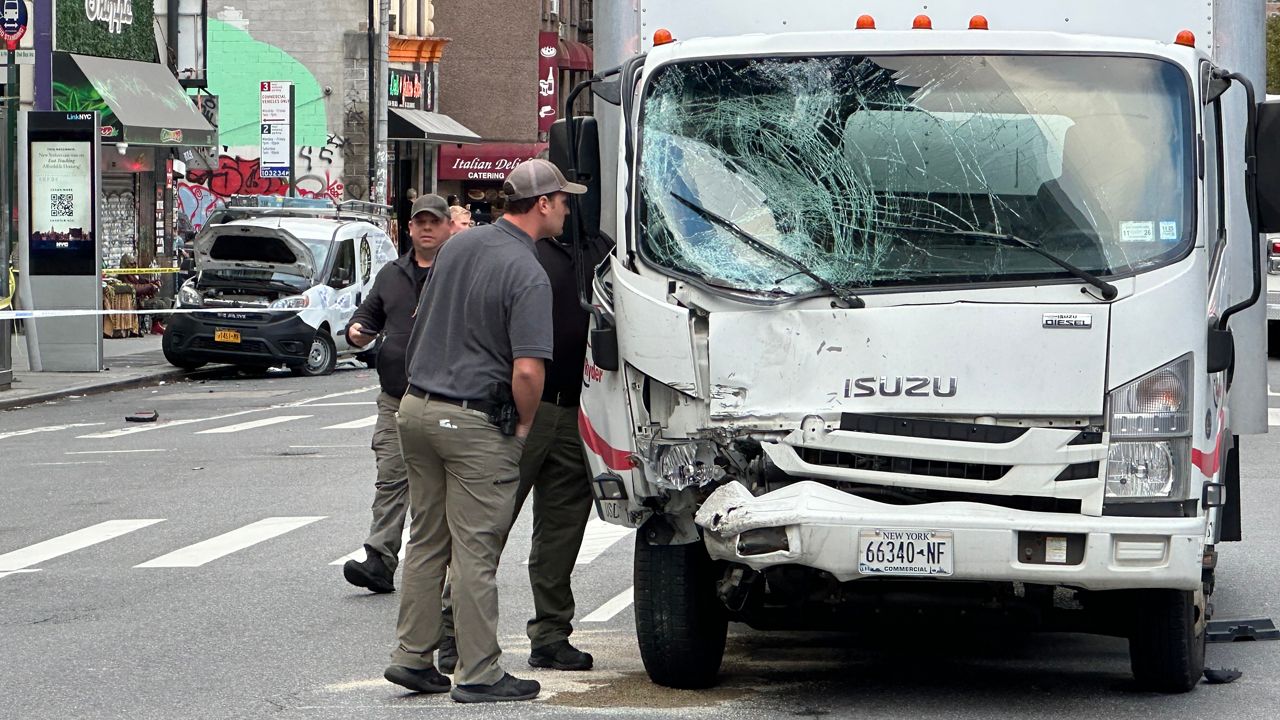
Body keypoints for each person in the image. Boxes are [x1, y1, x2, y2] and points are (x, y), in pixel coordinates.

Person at [384, 159, 585, 703]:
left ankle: (413, 657)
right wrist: (522, 425)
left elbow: (421, 323)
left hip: (418, 410)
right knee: (475, 548)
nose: (568, 207)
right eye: (563, 199)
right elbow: (527, 369)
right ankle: (478, 672)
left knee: (427, 541)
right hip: (472, 420)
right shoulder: (528, 271)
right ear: (542, 204)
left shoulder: (458, 246)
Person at [503, 200, 613, 672]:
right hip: (526, 406)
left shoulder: (606, 254)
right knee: (487, 524)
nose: (571, 210)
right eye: (565, 201)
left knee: (562, 534)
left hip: (578, 408)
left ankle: (550, 634)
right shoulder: (525, 252)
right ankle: (452, 631)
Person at [342, 193, 454, 594]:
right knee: (391, 476)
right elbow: (366, 316)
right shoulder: (391, 274)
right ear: (409, 228)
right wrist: (357, 331)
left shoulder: (458, 271)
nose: (425, 228)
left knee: (441, 486)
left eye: (433, 221)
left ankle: (448, 564)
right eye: (419, 221)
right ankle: (379, 558)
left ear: (446, 227)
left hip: (446, 397)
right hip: (396, 397)